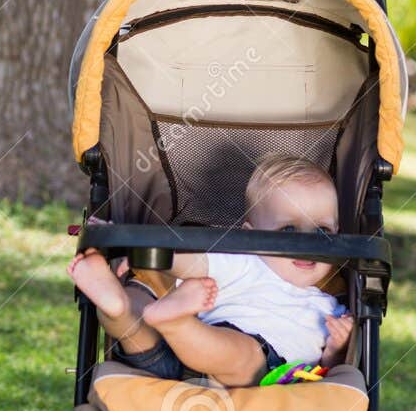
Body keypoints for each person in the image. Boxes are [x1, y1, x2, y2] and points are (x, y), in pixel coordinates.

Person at [68, 155, 354, 387]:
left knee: (142, 343)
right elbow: (191, 262)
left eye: (321, 230)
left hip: (180, 369)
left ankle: (117, 308)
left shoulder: (335, 307)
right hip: (242, 360)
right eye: (288, 230)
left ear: (338, 235)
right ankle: (144, 313)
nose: (306, 243)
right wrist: (141, 251)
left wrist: (335, 350)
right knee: (244, 356)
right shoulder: (249, 264)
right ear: (250, 237)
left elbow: (321, 373)